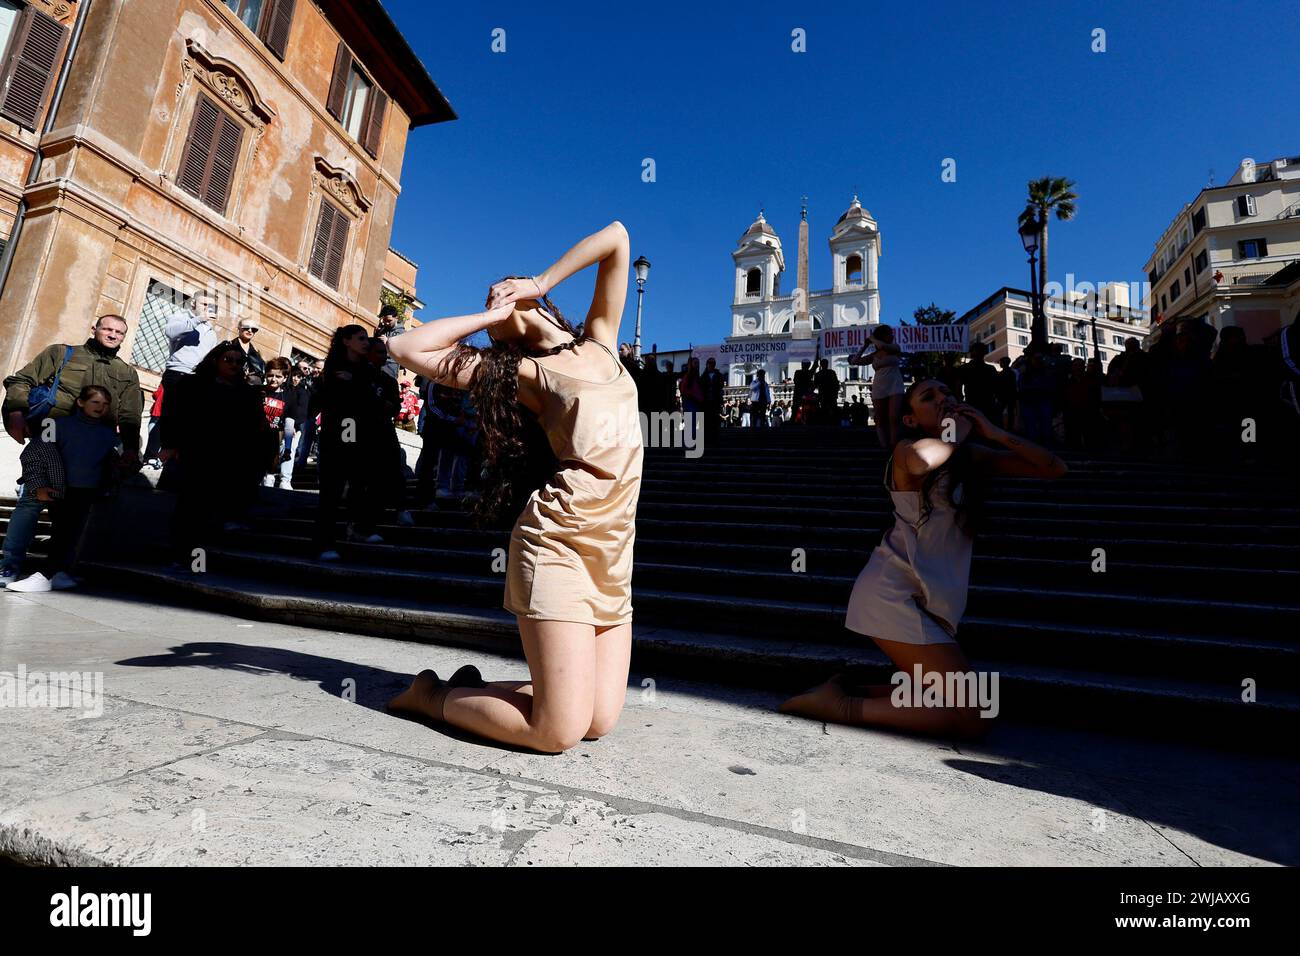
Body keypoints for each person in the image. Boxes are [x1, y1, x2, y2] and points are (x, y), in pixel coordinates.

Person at [386, 220, 642, 754]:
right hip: (559, 542)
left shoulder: (602, 338)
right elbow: (406, 346)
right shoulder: (523, 374)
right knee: (556, 732)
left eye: (503, 289)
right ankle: (430, 696)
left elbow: (616, 238)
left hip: (616, 548)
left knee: (599, 720)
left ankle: (478, 693)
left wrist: (541, 280)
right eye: (491, 300)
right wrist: (489, 318)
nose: (497, 296)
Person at [780, 379, 1066, 738]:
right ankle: (841, 706)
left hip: (931, 595)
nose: (944, 398)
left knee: (959, 699)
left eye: (947, 392)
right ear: (912, 420)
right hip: (893, 593)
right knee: (974, 713)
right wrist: (958, 430)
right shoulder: (905, 448)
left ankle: (850, 692)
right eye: (928, 397)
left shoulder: (970, 456)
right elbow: (922, 461)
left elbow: (1054, 468)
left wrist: (993, 432)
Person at [2, 314, 143, 583]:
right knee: (32, 502)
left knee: (73, 513)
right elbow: (21, 381)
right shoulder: (62, 354)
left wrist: (129, 450)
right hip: (52, 440)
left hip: (93, 452)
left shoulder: (127, 373)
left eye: (119, 332)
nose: (113, 335)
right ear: (95, 329)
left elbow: (130, 416)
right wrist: (16, 412)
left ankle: (57, 571)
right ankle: (9, 566)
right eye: (108, 329)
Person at [5, 385, 122, 593]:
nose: (100, 408)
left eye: (105, 405)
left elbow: (112, 464)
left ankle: (58, 574)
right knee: (61, 532)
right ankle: (45, 575)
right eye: (95, 402)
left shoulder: (108, 434)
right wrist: (39, 485)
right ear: (80, 402)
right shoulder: (57, 425)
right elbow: (34, 455)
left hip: (88, 491)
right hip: (60, 488)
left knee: (71, 535)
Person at [161, 342, 269, 565]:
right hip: (194, 454)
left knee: (211, 510)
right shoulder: (191, 384)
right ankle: (181, 555)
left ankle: (196, 558)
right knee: (189, 507)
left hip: (228, 459)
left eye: (239, 362)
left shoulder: (248, 393)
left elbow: (257, 427)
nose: (234, 364)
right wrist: (170, 445)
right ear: (215, 360)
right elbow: (173, 415)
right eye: (228, 359)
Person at [311, 326, 388, 559]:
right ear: (346, 341)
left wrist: (355, 383)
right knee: (333, 488)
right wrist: (361, 389)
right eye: (361, 338)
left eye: (367, 339)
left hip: (363, 432)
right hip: (342, 430)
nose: (366, 343)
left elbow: (375, 398)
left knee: (362, 483)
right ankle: (325, 543)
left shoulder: (367, 370)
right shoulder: (335, 365)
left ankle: (358, 529)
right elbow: (338, 399)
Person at [851, 324, 904, 450]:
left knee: (894, 417)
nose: (892, 336)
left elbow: (883, 346)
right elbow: (855, 361)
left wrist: (873, 339)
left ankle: (894, 444)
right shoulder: (874, 355)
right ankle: (884, 446)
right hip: (879, 386)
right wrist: (864, 345)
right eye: (889, 334)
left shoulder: (894, 348)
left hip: (895, 384)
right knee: (880, 418)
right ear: (883, 336)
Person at [260, 357, 292, 488]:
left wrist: (288, 448)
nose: (273, 379)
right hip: (255, 436)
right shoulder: (258, 391)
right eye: (270, 375)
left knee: (270, 469)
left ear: (284, 378)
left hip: (274, 437)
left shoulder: (289, 397)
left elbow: (289, 424)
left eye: (278, 376)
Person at [959, 341, 1000, 422]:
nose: (978, 352)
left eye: (980, 350)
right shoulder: (965, 368)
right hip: (974, 404)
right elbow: (959, 385)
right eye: (977, 350)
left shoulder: (990, 369)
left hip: (985, 405)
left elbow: (996, 387)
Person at [233, 317, 266, 386]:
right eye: (246, 328)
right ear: (239, 328)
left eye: (253, 329)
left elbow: (262, 375)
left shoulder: (256, 353)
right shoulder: (228, 346)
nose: (250, 331)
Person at [995, 356, 1018, 431]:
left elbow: (1013, 386)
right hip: (1004, 396)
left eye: (1001, 362)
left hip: (1006, 396)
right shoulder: (1010, 373)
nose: (999, 363)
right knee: (1005, 413)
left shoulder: (1010, 373)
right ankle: (1006, 428)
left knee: (1007, 413)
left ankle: (1007, 428)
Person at [814, 358, 840, 424]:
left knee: (826, 410)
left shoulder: (818, 374)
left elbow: (814, 385)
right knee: (829, 410)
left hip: (826, 395)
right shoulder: (831, 372)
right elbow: (836, 384)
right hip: (829, 395)